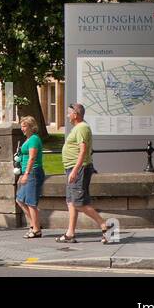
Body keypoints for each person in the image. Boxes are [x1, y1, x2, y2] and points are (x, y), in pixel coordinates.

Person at [58, 102, 114, 243]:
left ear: (75, 115)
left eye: (68, 112)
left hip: (79, 169)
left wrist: (75, 171)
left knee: (79, 203)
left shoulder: (82, 128)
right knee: (71, 202)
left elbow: (83, 151)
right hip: (73, 168)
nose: (67, 115)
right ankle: (70, 233)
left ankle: (106, 226)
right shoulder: (79, 127)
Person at [15, 115, 45, 238]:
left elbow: (32, 157)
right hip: (27, 172)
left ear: (32, 127)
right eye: (21, 126)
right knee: (20, 200)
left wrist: (26, 174)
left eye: (25, 126)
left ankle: (36, 229)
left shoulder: (34, 139)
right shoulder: (27, 139)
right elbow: (26, 156)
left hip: (33, 172)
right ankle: (34, 224)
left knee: (31, 202)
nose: (22, 128)